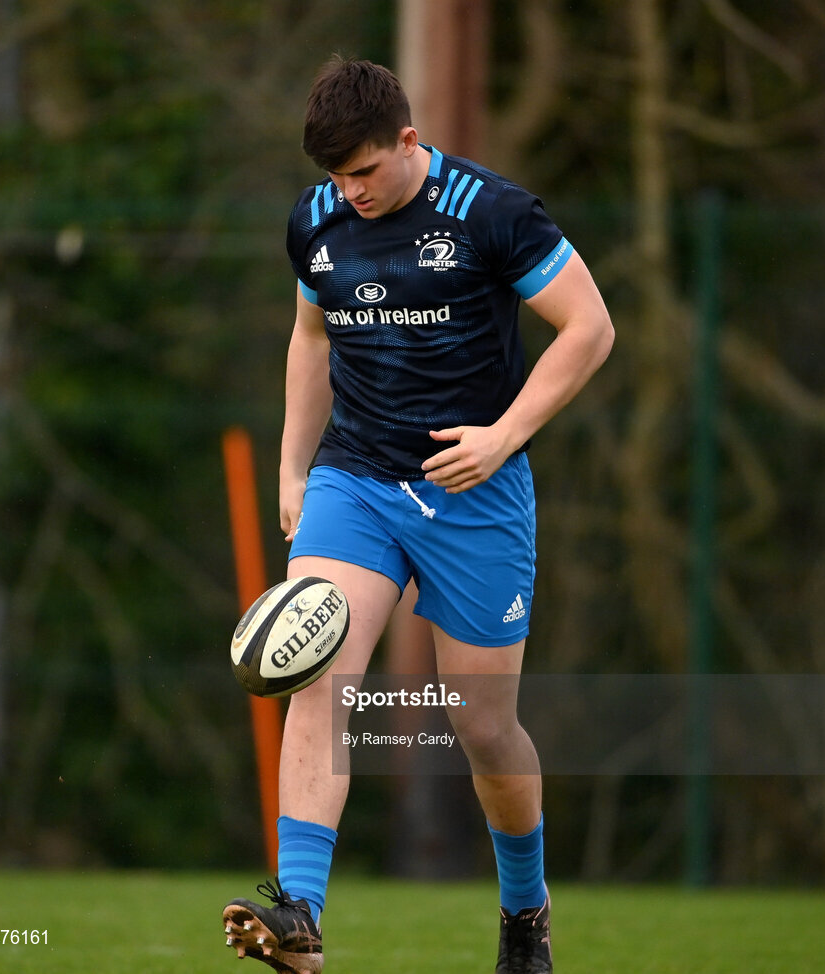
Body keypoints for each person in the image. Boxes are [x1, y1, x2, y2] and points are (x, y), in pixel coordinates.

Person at [223, 56, 614, 974]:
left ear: (409, 141)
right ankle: (299, 914)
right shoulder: (316, 224)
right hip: (354, 481)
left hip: (475, 494)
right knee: (316, 675)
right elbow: (311, 336)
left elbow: (589, 326)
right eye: (333, 177)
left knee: (485, 729)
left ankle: (526, 914)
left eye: (363, 171)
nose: (348, 192)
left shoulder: (494, 213)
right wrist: (292, 466)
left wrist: (505, 435)